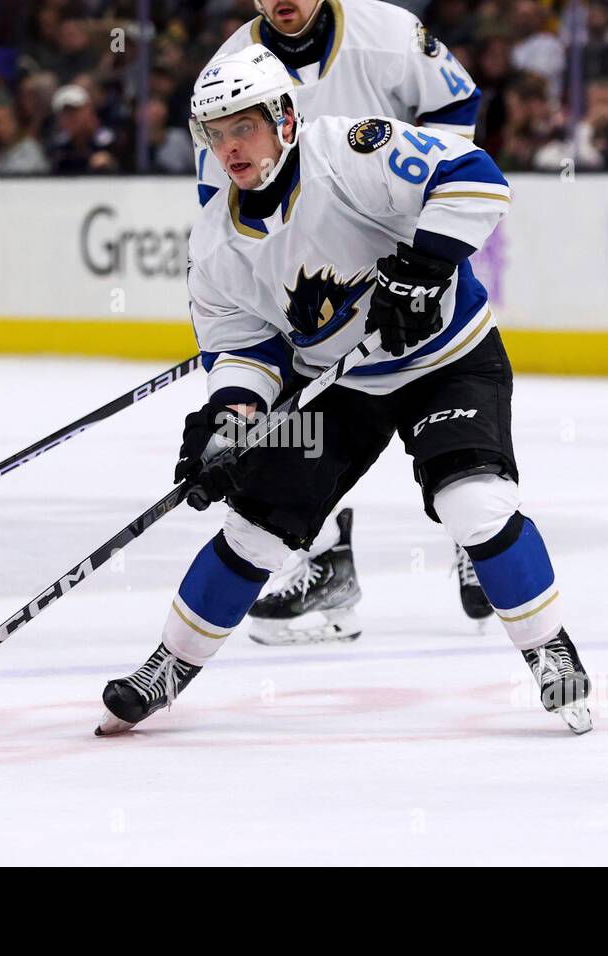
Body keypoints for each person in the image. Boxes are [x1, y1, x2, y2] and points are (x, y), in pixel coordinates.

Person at [96, 45, 592, 737]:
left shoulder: (352, 150)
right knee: (254, 527)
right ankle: (168, 666)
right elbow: (246, 350)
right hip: (338, 387)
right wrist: (231, 420)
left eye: (244, 126)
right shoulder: (215, 243)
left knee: (472, 502)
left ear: (285, 120)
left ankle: (548, 650)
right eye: (216, 133)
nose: (230, 146)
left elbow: (475, 178)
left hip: (448, 360)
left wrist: (422, 266)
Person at [193, 0, 489, 645]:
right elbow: (220, 194)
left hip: (404, 235)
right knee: (295, 418)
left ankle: (475, 533)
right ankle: (326, 565)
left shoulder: (386, 32)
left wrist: (420, 245)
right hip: (313, 276)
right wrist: (262, 281)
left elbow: (455, 104)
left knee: (454, 384)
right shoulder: (229, 66)